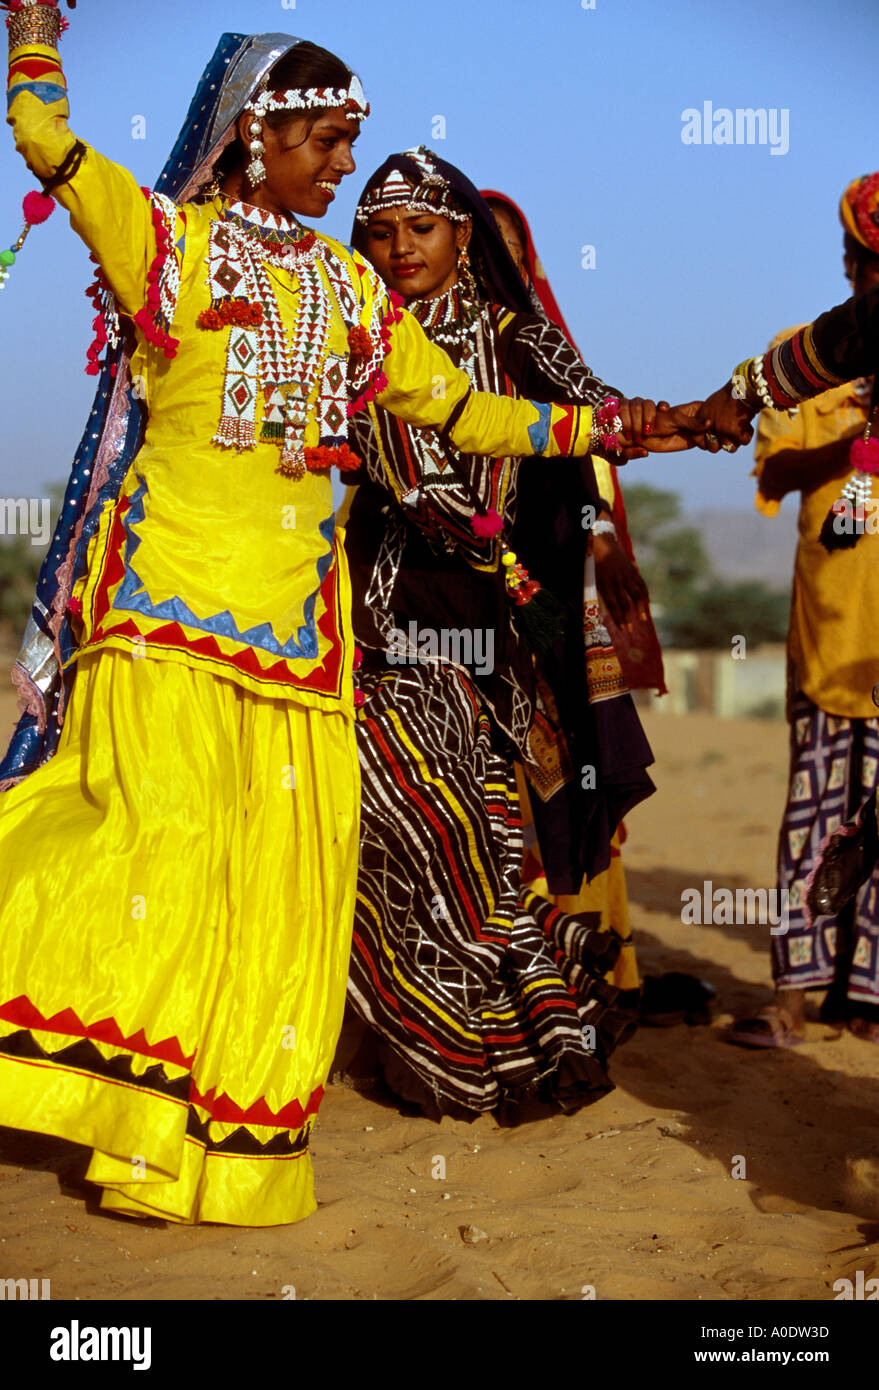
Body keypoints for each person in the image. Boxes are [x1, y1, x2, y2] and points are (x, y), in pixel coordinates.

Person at [0, 20, 642, 1227]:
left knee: (270, 894)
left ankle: (170, 1149)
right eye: (331, 142)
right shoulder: (165, 242)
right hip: (163, 615)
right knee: (157, 849)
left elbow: (463, 411)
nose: (347, 167)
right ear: (259, 133)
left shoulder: (349, 289)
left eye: (351, 142)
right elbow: (44, 137)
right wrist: (32, 33)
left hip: (299, 648)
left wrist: (614, 427)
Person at [335, 147, 705, 1119]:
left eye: (421, 227)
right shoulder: (353, 329)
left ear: (464, 237)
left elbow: (583, 406)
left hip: (483, 608)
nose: (400, 247)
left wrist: (668, 421)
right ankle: (401, 1036)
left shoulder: (511, 337)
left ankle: (493, 1035)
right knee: (395, 819)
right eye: (379, 231)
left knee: (489, 829)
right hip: (380, 603)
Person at [482, 188, 670, 1012]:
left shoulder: (531, 344)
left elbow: (583, 434)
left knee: (561, 761)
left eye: (506, 252)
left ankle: (582, 971)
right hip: (442, 581)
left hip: (542, 579)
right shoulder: (410, 344)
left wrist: (598, 540)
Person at [725, 175, 879, 1048]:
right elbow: (774, 473)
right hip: (828, 632)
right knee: (815, 816)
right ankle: (789, 1000)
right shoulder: (806, 352)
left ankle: (862, 1000)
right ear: (849, 265)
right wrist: (846, 434)